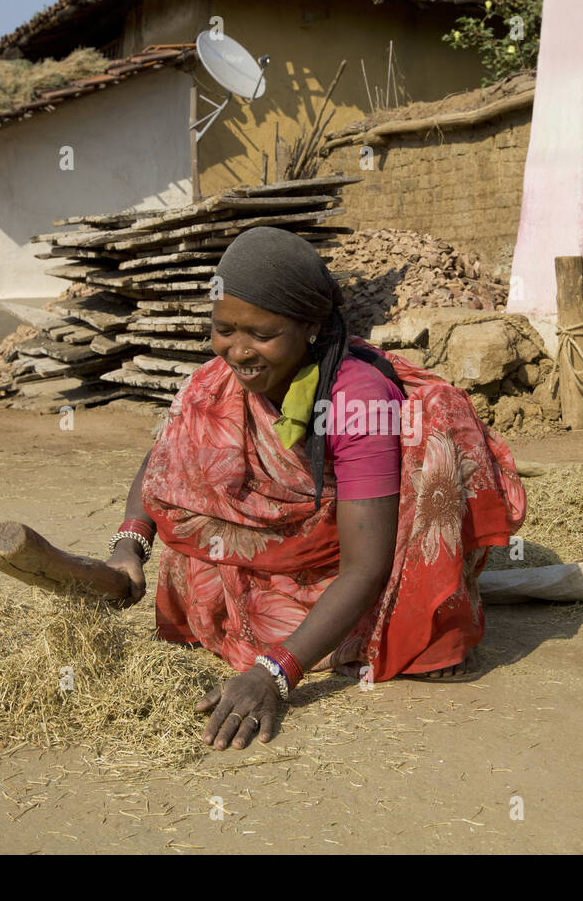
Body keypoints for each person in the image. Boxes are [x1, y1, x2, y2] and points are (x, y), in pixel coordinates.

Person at [106, 226, 526, 750]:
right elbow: (167, 460)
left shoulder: (356, 400)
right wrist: (129, 548)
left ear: (309, 327)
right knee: (188, 561)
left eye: (261, 334)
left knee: (400, 633)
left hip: (363, 554)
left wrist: (274, 675)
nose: (238, 351)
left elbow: (366, 565)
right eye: (224, 329)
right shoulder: (218, 382)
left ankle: (420, 621)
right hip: (290, 552)